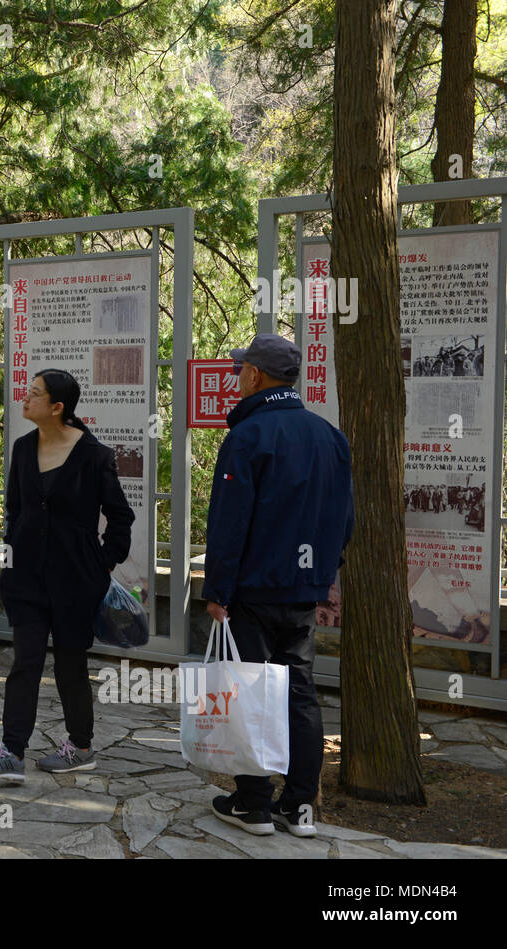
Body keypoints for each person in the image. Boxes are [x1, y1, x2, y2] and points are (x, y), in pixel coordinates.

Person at [204, 333, 353, 839]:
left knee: (250, 694)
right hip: (303, 592)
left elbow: (229, 522)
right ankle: (301, 808)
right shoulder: (329, 436)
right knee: (301, 695)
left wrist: (217, 589)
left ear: (257, 376)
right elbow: (344, 519)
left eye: (240, 368)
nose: (236, 375)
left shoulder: (246, 437)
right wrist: (321, 576)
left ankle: (253, 804)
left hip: (251, 591)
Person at [0, 368, 134, 783]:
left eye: (34, 394)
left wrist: (102, 563)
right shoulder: (24, 448)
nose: (24, 399)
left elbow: (120, 517)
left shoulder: (95, 455)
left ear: (57, 407)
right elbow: (14, 510)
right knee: (24, 661)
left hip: (75, 583)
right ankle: (11, 751)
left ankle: (81, 746)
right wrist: (10, 562)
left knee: (69, 665)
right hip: (26, 578)